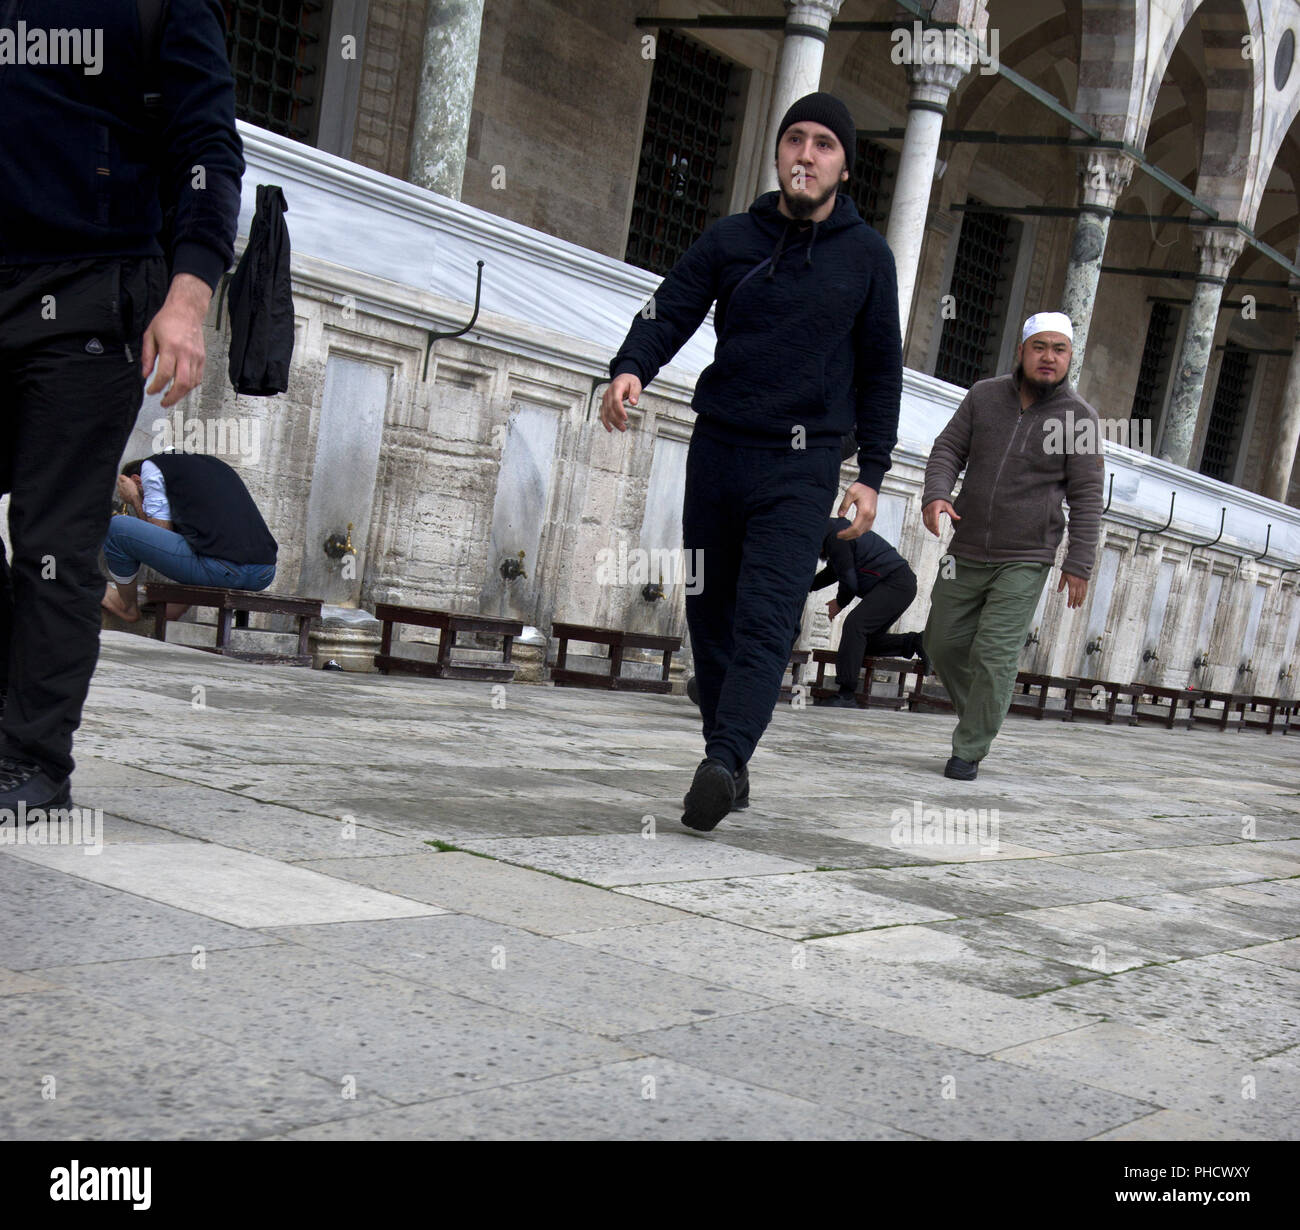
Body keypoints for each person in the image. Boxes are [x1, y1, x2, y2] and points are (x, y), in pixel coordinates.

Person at [602, 92, 902, 830]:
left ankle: (726, 757)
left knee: (767, 616)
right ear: (778, 154)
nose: (806, 154)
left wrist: (872, 473)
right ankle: (726, 762)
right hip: (719, 449)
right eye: (794, 139)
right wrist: (631, 366)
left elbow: (881, 369)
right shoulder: (734, 237)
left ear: (844, 166)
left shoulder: (867, 258)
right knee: (711, 612)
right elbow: (669, 307)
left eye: (823, 144)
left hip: (803, 466)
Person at [0, 1, 244, 809]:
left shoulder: (160, 6)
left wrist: (189, 293)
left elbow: (207, 149)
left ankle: (33, 761)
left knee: (53, 538)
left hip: (90, 302)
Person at [921, 312, 1105, 780]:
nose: (1049, 357)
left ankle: (969, 748)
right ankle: (983, 714)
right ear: (1021, 351)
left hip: (1027, 556)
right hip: (964, 548)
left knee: (994, 653)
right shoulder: (984, 395)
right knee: (940, 643)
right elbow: (947, 449)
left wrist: (1079, 563)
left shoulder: (1078, 418)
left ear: (1069, 358)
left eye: (1059, 350)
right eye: (1039, 347)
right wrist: (938, 492)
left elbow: (1086, 498)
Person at [101, 454, 278, 622]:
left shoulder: (152, 467)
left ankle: (126, 606)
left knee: (117, 527)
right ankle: (174, 608)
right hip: (263, 573)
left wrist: (134, 498)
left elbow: (159, 536)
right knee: (198, 546)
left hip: (224, 570)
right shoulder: (208, 467)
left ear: (137, 480)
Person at [811, 517, 926, 707]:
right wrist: (804, 587)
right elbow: (834, 571)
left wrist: (839, 603)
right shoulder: (835, 532)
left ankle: (846, 695)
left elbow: (849, 582)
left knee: (855, 625)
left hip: (896, 583)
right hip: (900, 584)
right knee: (863, 641)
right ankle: (914, 642)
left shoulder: (836, 537)